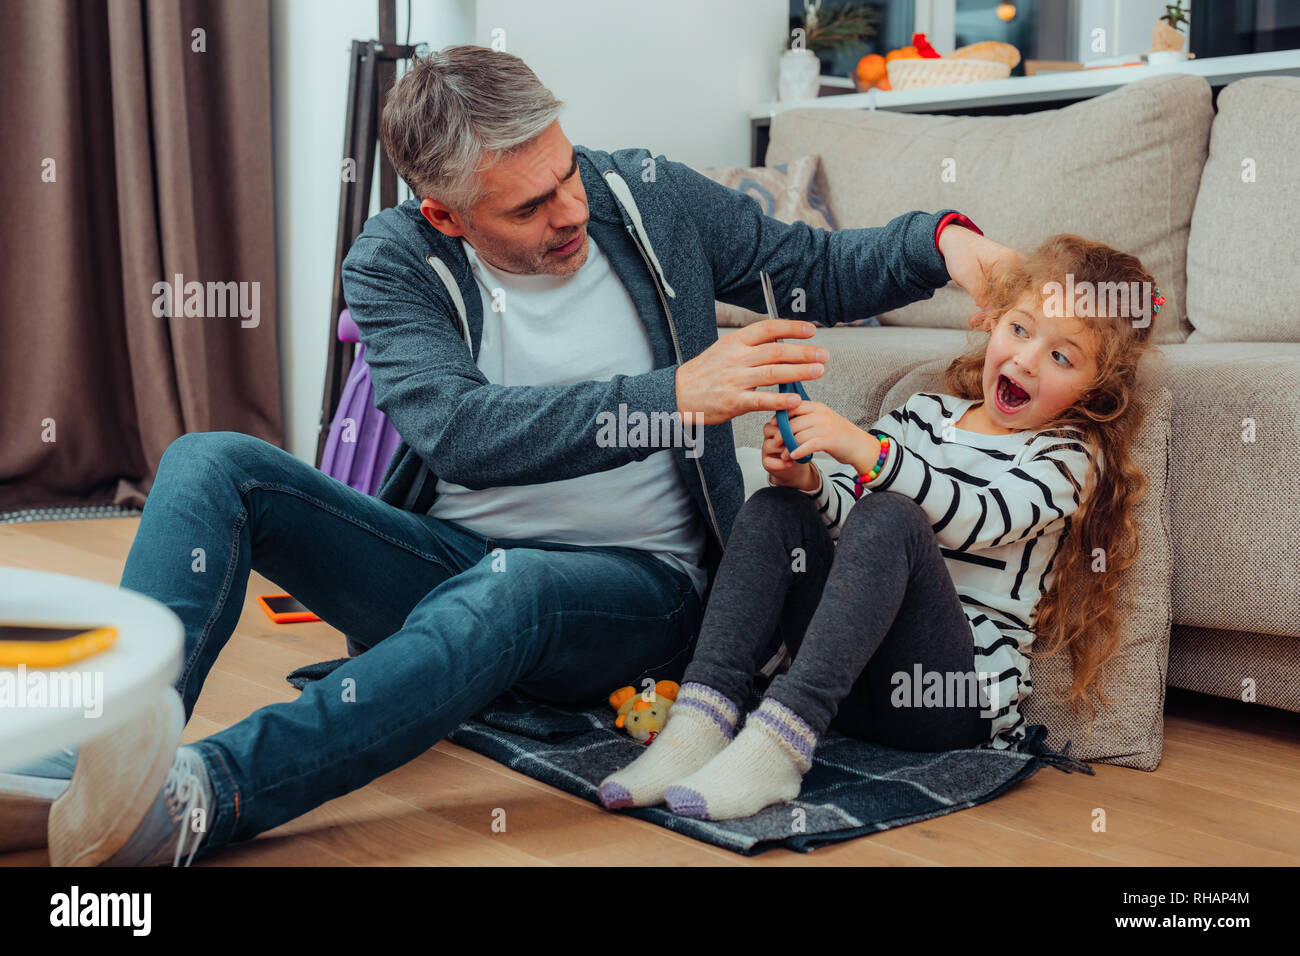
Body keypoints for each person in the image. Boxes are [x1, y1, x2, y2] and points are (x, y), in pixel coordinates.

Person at [1, 44, 1019, 865]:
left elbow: (811, 264)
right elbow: (456, 430)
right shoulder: (395, 258)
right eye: (527, 207)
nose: (570, 210)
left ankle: (197, 795)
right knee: (209, 459)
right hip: (445, 564)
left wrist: (948, 243)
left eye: (565, 173)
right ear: (444, 213)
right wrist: (671, 395)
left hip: (640, 592)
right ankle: (98, 761)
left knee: (514, 584)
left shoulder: (646, 196)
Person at [599, 235, 1160, 821]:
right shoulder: (925, 413)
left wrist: (867, 451)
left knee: (894, 514)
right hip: (850, 688)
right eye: (1020, 330)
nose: (1025, 359)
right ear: (993, 323)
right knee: (776, 508)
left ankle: (776, 750)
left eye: (1061, 357)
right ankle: (698, 724)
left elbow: (974, 517)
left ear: (1095, 390)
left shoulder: (1068, 459)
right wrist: (810, 483)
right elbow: (851, 518)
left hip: (940, 703)